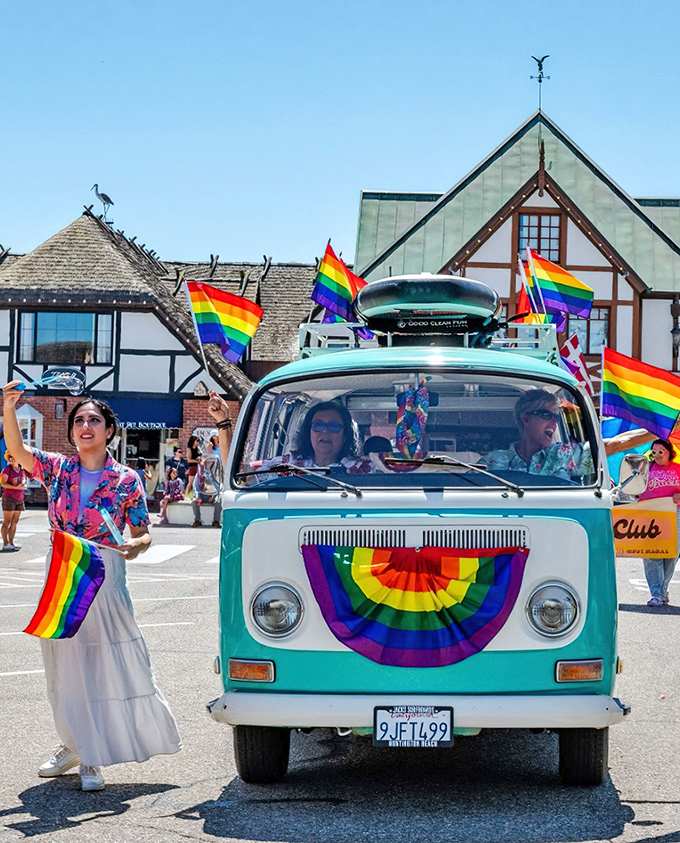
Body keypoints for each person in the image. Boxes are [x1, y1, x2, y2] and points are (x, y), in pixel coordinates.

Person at [0, 382, 181, 791]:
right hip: (63, 571)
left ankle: (94, 757)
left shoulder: (126, 478)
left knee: (103, 666)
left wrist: (134, 546)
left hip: (105, 572)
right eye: (79, 420)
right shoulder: (58, 469)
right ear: (71, 432)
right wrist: (9, 409)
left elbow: (142, 533)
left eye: (94, 420)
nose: (85, 426)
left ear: (109, 430)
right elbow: (19, 451)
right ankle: (73, 745)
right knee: (63, 668)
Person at [485, 389, 593, 481]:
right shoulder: (493, 461)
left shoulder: (561, 455)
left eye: (556, 417)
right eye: (547, 415)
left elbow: (600, 449)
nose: (554, 423)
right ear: (525, 419)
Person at [259, 401, 372, 475]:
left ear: (345, 435)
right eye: (318, 425)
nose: (325, 431)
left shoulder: (363, 469)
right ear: (309, 432)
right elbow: (248, 479)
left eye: (333, 426)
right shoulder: (287, 465)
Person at [638, 438, 680, 607]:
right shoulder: (646, 468)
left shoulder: (678, 469)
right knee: (650, 553)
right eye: (653, 452)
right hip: (649, 513)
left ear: (670, 452)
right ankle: (657, 593)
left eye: (660, 452)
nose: (656, 455)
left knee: (671, 554)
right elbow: (635, 487)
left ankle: (662, 590)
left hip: (674, 513)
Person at [1, 451, 27, 552]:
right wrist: (16, 487)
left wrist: (23, 483)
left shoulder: (21, 470)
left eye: (14, 456)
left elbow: (23, 479)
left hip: (19, 498)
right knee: (7, 521)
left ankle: (11, 542)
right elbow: (3, 484)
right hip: (9, 498)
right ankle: (5, 543)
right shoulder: (7, 470)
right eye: (10, 457)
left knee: (15, 522)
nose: (12, 459)